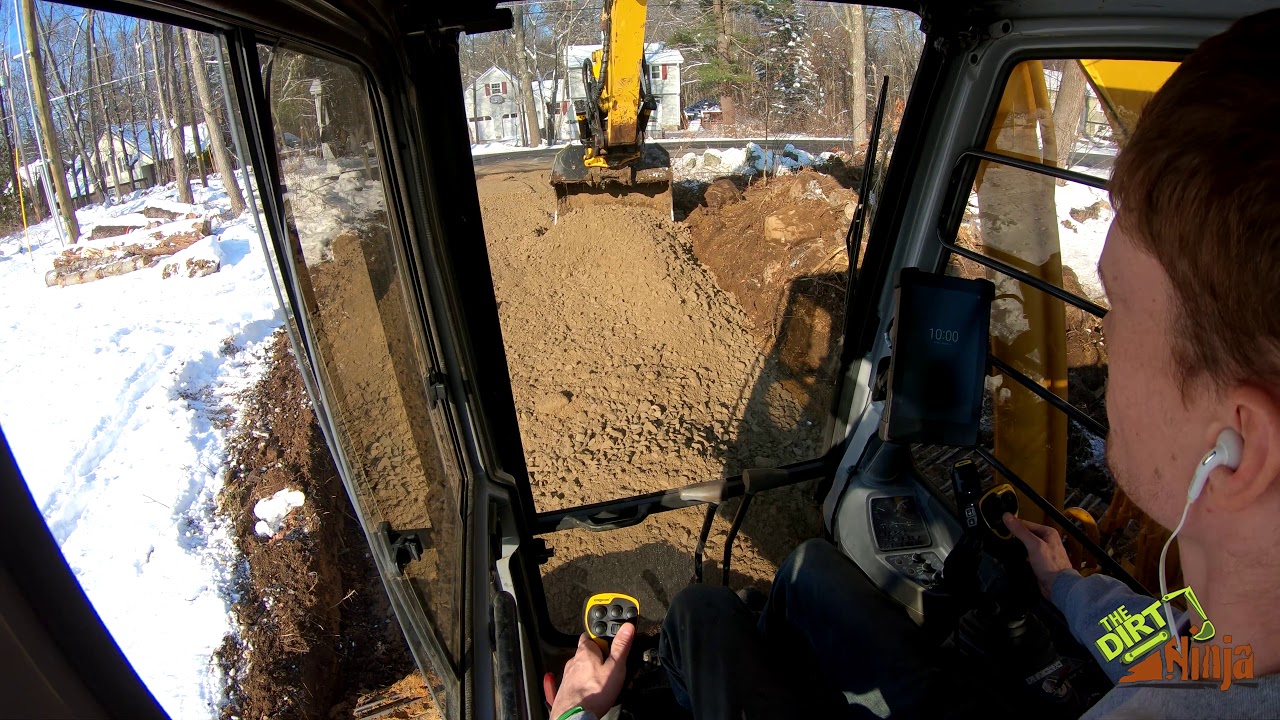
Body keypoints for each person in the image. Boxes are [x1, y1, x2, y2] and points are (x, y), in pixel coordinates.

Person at [545, 9, 1280, 719]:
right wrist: (1068, 590)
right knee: (804, 570)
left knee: (704, 613)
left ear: (1240, 447)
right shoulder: (1236, 656)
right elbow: (1184, 661)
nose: (1106, 338)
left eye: (1118, 308)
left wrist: (578, 717)